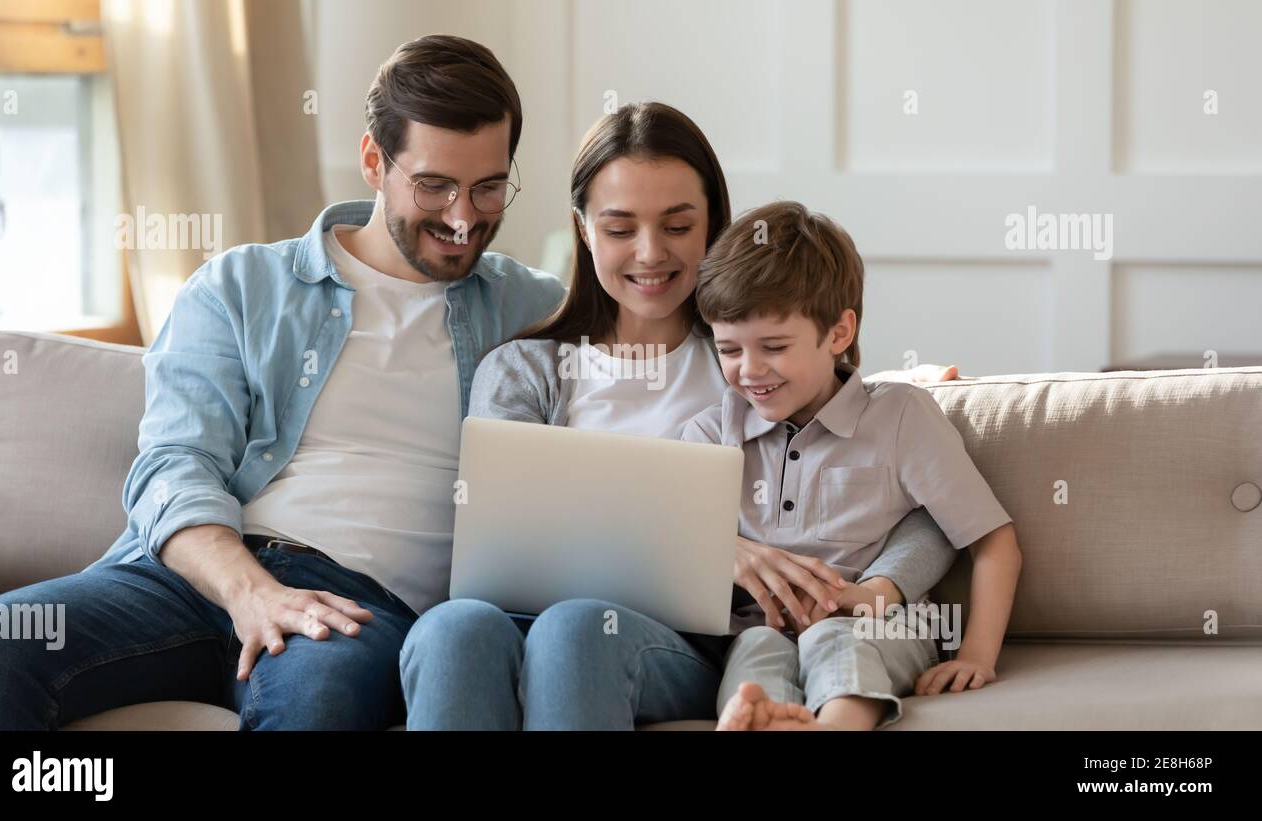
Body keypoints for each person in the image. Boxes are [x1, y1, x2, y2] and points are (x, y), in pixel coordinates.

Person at [0, 35, 564, 730]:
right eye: (434, 185)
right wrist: (249, 590)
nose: (463, 218)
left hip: (355, 609)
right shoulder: (242, 286)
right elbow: (174, 465)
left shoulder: (535, 310)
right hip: (192, 575)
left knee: (313, 705)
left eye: (488, 187)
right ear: (374, 161)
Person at [399, 103, 962, 730]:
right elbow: (503, 539)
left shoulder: (750, 366)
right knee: (451, 629)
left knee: (575, 628)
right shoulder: (523, 371)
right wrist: (708, 546)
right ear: (583, 229)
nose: (650, 253)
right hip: (525, 615)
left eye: (677, 225)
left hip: (682, 643)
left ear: (712, 227)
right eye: (619, 228)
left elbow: (899, 484)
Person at [680, 201, 1022, 730]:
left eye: (774, 346)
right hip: (761, 627)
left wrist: (977, 654)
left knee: (836, 637)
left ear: (838, 334)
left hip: (879, 622)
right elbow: (679, 549)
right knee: (754, 650)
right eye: (729, 350)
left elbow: (993, 541)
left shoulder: (901, 417)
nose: (749, 371)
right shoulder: (710, 434)